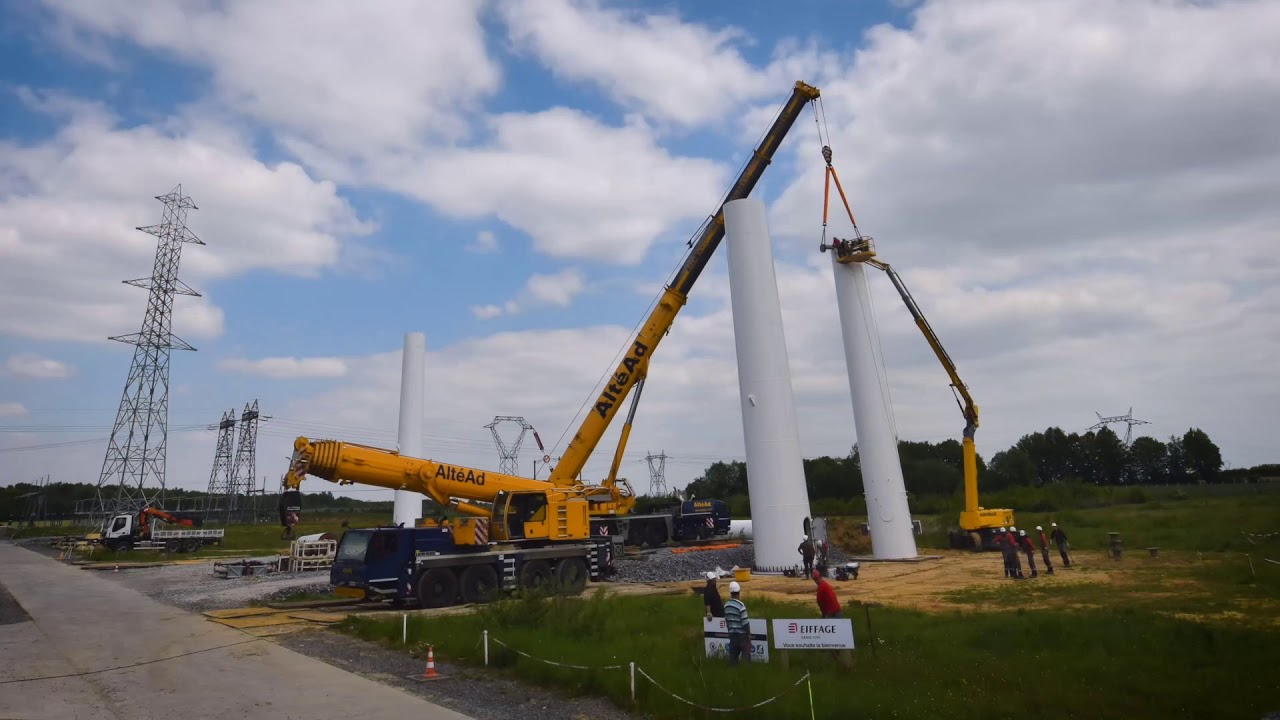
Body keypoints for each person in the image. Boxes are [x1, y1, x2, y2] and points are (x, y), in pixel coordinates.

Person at [723, 581, 751, 665]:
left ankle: (733, 672)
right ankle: (745, 672)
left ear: (731, 593)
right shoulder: (741, 605)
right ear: (739, 592)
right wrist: (748, 634)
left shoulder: (726, 605)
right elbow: (745, 622)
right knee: (746, 655)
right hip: (742, 635)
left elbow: (727, 621)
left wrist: (730, 632)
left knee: (733, 657)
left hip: (732, 634)